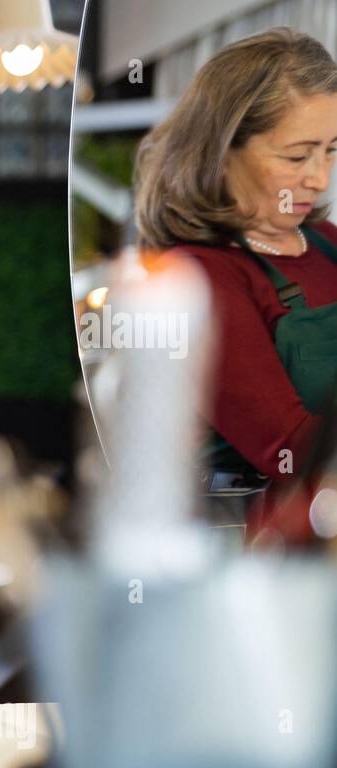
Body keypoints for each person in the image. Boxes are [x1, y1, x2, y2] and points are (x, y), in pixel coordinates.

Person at [134, 28, 337, 507]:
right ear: (223, 152)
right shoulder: (200, 276)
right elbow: (291, 449)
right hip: (255, 542)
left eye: (332, 150)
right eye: (297, 155)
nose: (320, 178)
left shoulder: (326, 243)